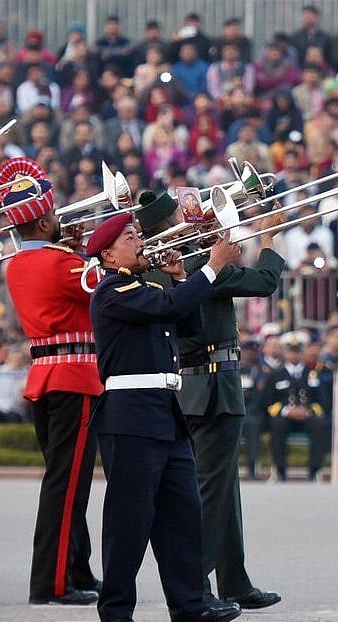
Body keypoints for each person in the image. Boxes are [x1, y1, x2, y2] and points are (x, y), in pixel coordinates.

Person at [86, 212, 242, 622]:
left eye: (138, 235)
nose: (140, 242)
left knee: (182, 516)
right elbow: (169, 307)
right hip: (131, 414)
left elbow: (186, 322)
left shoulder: (144, 288)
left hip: (165, 410)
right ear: (107, 253)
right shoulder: (111, 291)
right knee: (129, 523)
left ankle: (189, 606)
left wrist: (177, 277)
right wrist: (211, 267)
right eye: (130, 237)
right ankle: (116, 611)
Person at [137, 190, 284, 610]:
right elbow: (264, 282)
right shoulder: (200, 267)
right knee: (211, 493)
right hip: (215, 387)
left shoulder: (159, 267)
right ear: (171, 226)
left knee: (222, 490)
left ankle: (234, 581)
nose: (196, 219)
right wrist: (269, 239)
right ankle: (196, 586)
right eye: (187, 217)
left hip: (194, 388)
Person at [0, 158, 102, 606]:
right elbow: (107, 279)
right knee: (66, 483)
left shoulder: (18, 263)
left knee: (68, 480)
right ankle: (52, 582)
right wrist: (86, 250)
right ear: (42, 219)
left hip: (46, 375)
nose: (63, 219)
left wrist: (72, 250)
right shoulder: (62, 264)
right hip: (74, 377)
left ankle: (76, 568)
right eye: (55, 214)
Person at [265, 331, 331, 482]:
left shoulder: (312, 374)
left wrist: (307, 411)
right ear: (285, 352)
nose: (294, 355)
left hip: (306, 416)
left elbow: (322, 401)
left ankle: (314, 470)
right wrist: (287, 411)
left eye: (298, 351)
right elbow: (268, 402)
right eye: (290, 351)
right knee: (277, 424)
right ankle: (281, 471)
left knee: (320, 424)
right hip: (285, 416)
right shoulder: (276, 375)